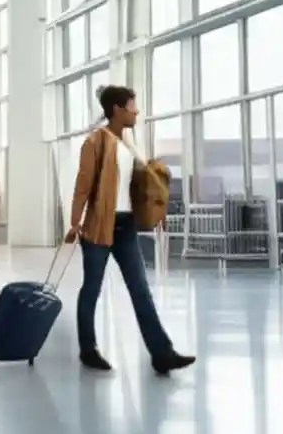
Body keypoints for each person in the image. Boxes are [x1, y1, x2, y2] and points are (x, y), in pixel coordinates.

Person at [65, 85, 195, 375]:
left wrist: (154, 212)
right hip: (99, 226)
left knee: (140, 290)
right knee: (91, 290)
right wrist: (74, 223)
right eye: (132, 106)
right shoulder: (95, 142)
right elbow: (82, 185)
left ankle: (162, 353)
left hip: (125, 226)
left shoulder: (128, 142)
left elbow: (136, 186)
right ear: (117, 110)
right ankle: (88, 350)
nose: (136, 111)